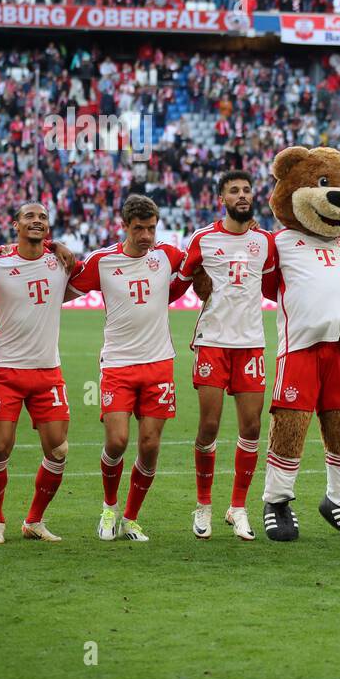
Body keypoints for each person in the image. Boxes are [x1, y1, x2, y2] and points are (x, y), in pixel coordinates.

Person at [69, 195, 189, 542]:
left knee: (149, 446)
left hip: (159, 363)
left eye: (151, 228)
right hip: (118, 364)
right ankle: (109, 507)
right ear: (125, 226)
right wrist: (56, 247)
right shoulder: (103, 262)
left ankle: (131, 518)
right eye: (139, 229)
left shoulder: (167, 255)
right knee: (118, 441)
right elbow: (64, 283)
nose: (146, 235)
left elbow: (194, 265)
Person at [179, 170, 274, 542]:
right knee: (209, 427)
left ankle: (238, 507)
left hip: (250, 343)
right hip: (213, 342)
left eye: (247, 190)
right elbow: (182, 277)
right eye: (234, 191)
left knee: (251, 429)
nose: (242, 195)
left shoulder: (265, 242)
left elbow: (273, 283)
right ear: (222, 198)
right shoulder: (203, 238)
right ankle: (203, 504)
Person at [0, 203, 79, 544]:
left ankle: (34, 520)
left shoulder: (61, 263)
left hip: (47, 371)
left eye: (43, 218)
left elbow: (86, 272)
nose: (37, 221)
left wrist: (57, 247)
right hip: (5, 369)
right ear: (15, 224)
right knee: (0, 448)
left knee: (58, 449)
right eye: (29, 217)